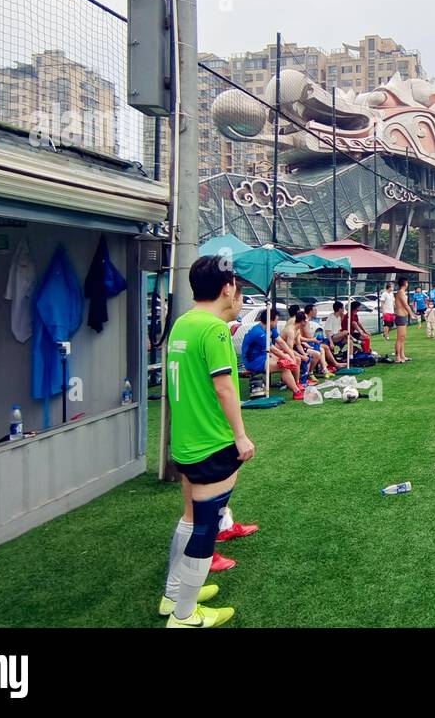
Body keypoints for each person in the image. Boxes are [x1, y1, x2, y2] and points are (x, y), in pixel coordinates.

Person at [159, 255, 258, 628]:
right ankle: (184, 615)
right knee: (206, 524)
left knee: (190, 518)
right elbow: (223, 388)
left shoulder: (184, 323)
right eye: (236, 287)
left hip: (186, 444)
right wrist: (241, 436)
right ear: (227, 288)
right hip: (212, 444)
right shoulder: (214, 330)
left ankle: (173, 595)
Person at [241, 307, 303, 401]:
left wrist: (292, 356)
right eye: (276, 320)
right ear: (270, 321)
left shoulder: (269, 328)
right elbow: (274, 350)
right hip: (252, 361)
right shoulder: (258, 332)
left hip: (263, 356)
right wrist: (290, 359)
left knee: (293, 360)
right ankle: (297, 392)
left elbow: (281, 342)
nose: (277, 322)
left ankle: (296, 383)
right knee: (285, 366)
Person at [394, 277, 414, 363]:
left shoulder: (402, 293)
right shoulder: (400, 293)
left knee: (403, 337)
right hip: (400, 316)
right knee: (400, 337)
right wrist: (411, 314)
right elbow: (405, 305)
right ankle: (398, 357)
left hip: (403, 316)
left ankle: (402, 355)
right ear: (405, 283)